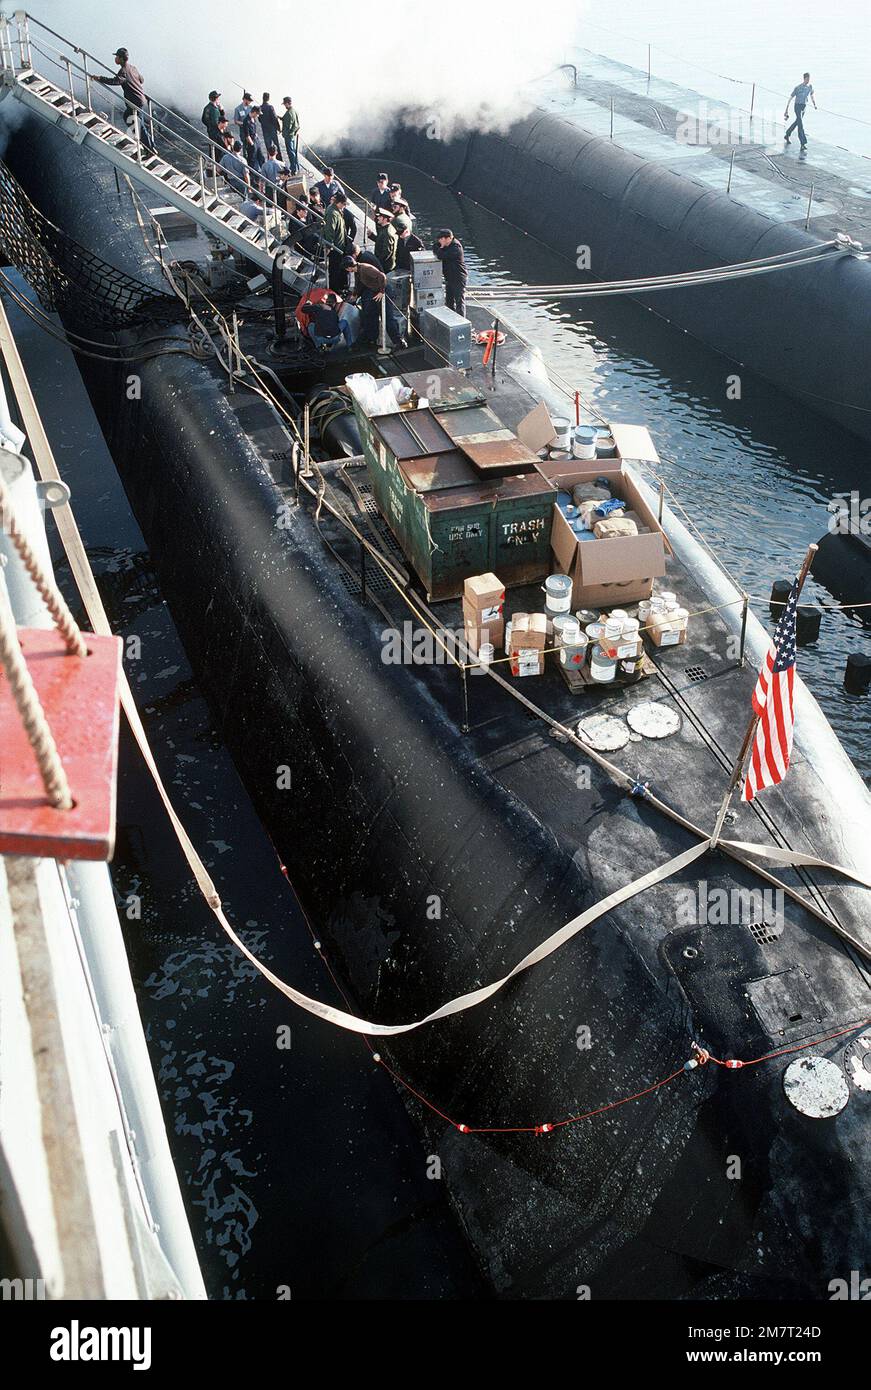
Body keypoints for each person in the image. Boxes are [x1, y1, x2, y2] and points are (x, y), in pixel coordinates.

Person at [343, 253, 407, 347]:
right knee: (370, 314)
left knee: (387, 317)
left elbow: (382, 276)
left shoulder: (365, 268)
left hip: (383, 291)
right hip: (374, 292)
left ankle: (398, 341)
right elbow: (359, 283)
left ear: (348, 268)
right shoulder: (358, 271)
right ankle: (372, 337)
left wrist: (382, 291)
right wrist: (355, 294)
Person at [97, 48, 155, 152]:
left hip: (134, 101)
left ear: (121, 58)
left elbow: (115, 81)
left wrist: (99, 78)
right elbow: (141, 80)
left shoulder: (123, 71)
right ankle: (148, 144)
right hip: (140, 99)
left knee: (136, 124)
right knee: (133, 120)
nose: (115, 58)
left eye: (116, 56)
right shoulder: (133, 68)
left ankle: (149, 148)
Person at [433, 228, 467, 316]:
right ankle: (450, 318)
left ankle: (461, 320)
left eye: (442, 239)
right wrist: (441, 246)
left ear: (448, 238)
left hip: (458, 277)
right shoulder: (445, 245)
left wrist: (441, 247)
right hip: (449, 277)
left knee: (459, 301)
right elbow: (434, 247)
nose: (440, 241)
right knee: (449, 301)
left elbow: (440, 255)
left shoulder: (456, 247)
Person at [323, 192, 350, 292]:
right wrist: (329, 246)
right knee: (335, 270)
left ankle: (341, 288)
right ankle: (334, 290)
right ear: (340, 203)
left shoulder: (336, 211)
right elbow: (330, 230)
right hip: (336, 248)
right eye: (344, 204)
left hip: (340, 246)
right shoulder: (332, 213)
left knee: (339, 269)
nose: (344, 207)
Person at [784, 72, 817, 149]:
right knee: (800, 124)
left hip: (803, 107)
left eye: (809, 78)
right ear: (804, 78)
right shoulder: (798, 87)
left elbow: (811, 95)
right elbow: (791, 98)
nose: (808, 80)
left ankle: (787, 134)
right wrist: (787, 109)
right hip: (797, 106)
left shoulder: (810, 87)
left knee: (797, 122)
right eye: (807, 79)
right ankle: (803, 143)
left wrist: (814, 104)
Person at [241, 104, 267, 176]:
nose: (258, 116)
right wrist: (252, 144)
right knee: (252, 160)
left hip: (256, 140)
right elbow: (247, 135)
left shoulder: (254, 119)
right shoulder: (246, 121)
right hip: (251, 142)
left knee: (261, 157)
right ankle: (253, 176)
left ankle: (265, 173)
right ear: (254, 112)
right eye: (257, 114)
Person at [372, 208, 398, 272]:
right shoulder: (385, 228)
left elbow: (386, 252)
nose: (378, 218)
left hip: (385, 266)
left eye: (380, 217)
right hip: (384, 264)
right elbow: (380, 241)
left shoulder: (387, 232)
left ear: (385, 219)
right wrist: (371, 236)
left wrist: (377, 263)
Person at [201, 90, 224, 158]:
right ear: (216, 99)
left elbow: (204, 120)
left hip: (211, 131)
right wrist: (221, 110)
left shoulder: (207, 108)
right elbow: (218, 120)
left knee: (213, 148)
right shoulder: (213, 109)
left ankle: (213, 162)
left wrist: (209, 126)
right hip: (216, 132)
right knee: (217, 149)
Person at [281, 96, 300, 173]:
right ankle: (296, 166)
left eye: (285, 104)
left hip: (288, 136)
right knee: (294, 151)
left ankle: (293, 169)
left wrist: (283, 133)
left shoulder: (288, 113)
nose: (285, 106)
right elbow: (297, 124)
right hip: (293, 135)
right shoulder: (294, 111)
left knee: (290, 153)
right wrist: (282, 118)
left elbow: (288, 126)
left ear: (287, 103)